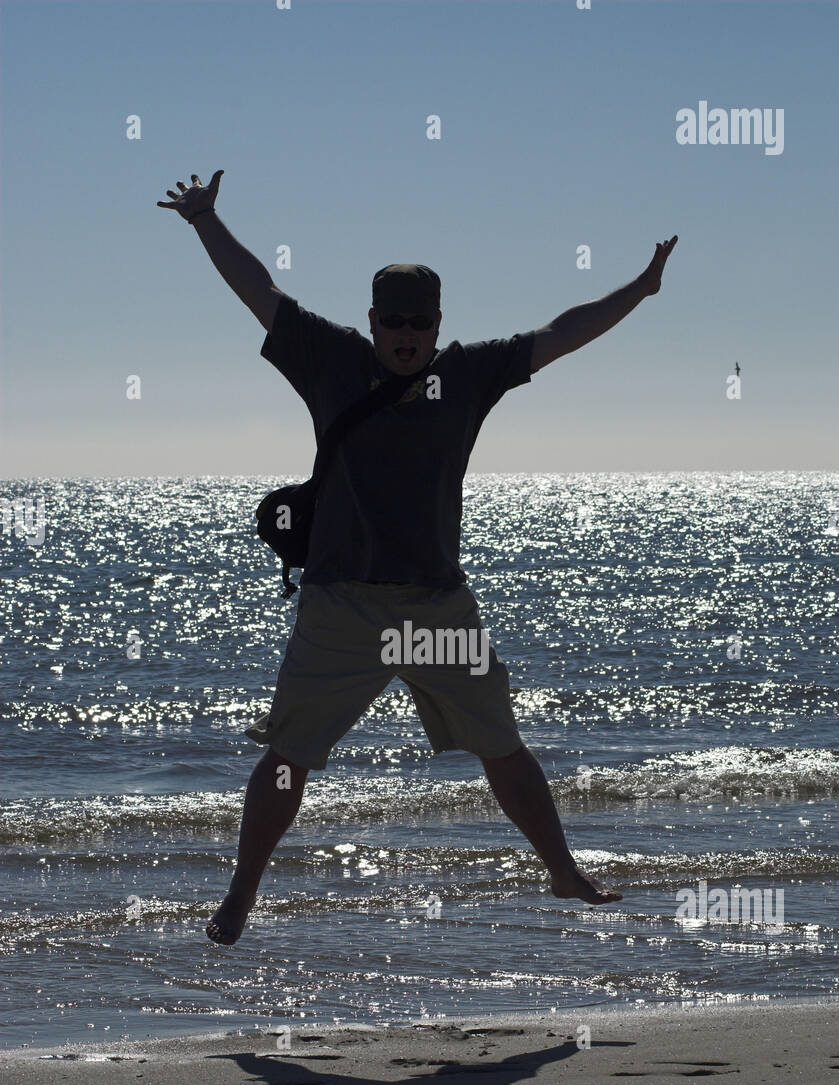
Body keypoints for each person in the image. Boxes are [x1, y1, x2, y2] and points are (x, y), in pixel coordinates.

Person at [157, 172, 677, 944]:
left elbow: (562, 332)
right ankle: (241, 891)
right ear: (371, 322)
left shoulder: (468, 374)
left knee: (502, 745)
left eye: (419, 323)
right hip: (341, 601)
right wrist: (205, 221)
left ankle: (561, 868)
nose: (405, 334)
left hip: (436, 604)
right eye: (393, 321)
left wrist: (636, 290)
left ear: (437, 326)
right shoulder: (330, 360)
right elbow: (257, 289)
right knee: (287, 752)